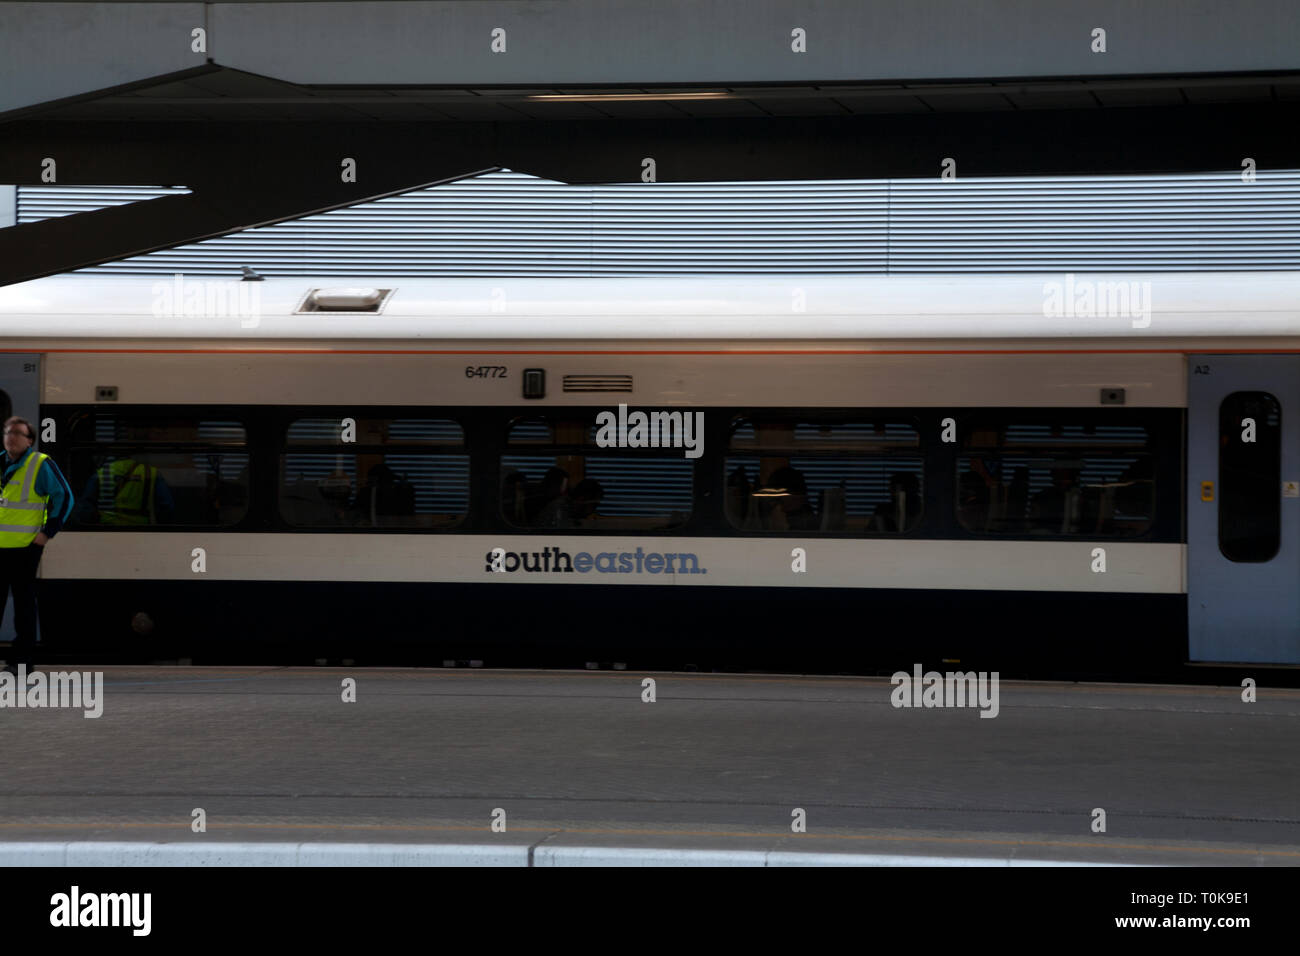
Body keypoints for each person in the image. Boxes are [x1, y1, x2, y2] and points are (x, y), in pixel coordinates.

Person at [0, 416, 74, 673]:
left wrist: (47, 532)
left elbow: (65, 496)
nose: (12, 437)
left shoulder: (40, 464)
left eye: (18, 433)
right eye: (8, 432)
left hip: (24, 548)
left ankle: (22, 662)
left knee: (23, 606)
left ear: (30, 440)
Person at [76, 454, 175, 525]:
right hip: (141, 530)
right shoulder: (151, 472)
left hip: (107, 529)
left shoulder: (102, 473)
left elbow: (85, 509)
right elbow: (166, 507)